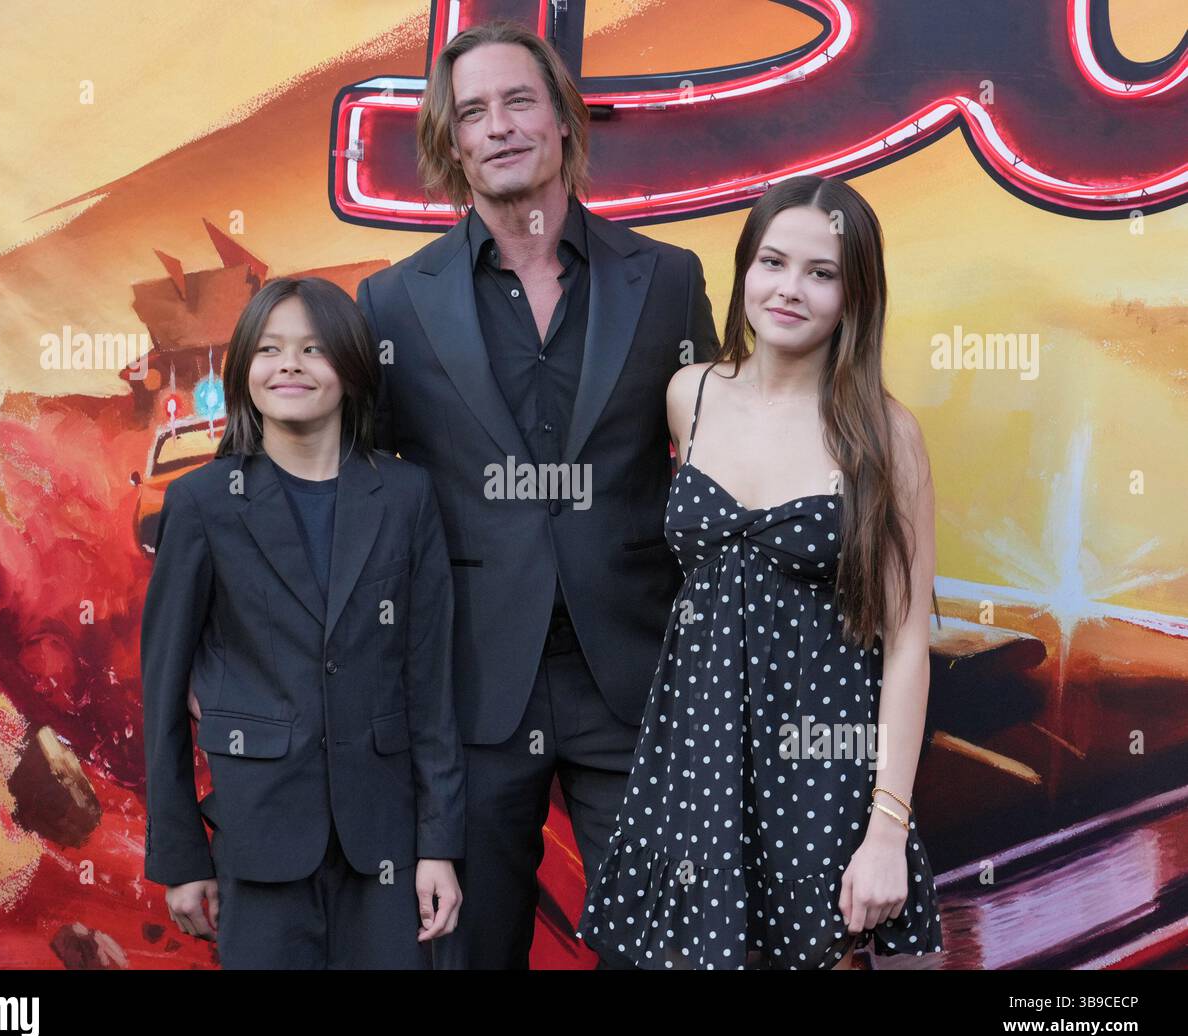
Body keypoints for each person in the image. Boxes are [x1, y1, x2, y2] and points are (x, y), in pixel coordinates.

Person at [354, 20, 721, 968]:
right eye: (472, 113)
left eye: (519, 101)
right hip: (468, 688)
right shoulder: (392, 304)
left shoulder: (669, 281)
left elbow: (726, 478)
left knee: (664, 951)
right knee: (467, 954)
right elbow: (364, 508)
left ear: (562, 120)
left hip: (636, 679)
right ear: (450, 144)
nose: (499, 127)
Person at [577, 175, 944, 970]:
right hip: (696, 762)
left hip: (823, 773)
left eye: (822, 273)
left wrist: (888, 827)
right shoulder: (689, 396)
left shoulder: (887, 436)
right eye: (773, 262)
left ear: (856, 295)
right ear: (744, 267)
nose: (790, 289)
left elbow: (908, 646)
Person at [142, 276, 464, 969]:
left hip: (384, 843)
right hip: (258, 838)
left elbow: (431, 683)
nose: (289, 364)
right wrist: (180, 856)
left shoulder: (405, 495)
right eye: (269, 349)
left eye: (314, 349)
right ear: (244, 373)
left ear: (350, 369)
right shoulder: (202, 503)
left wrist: (438, 844)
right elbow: (163, 691)